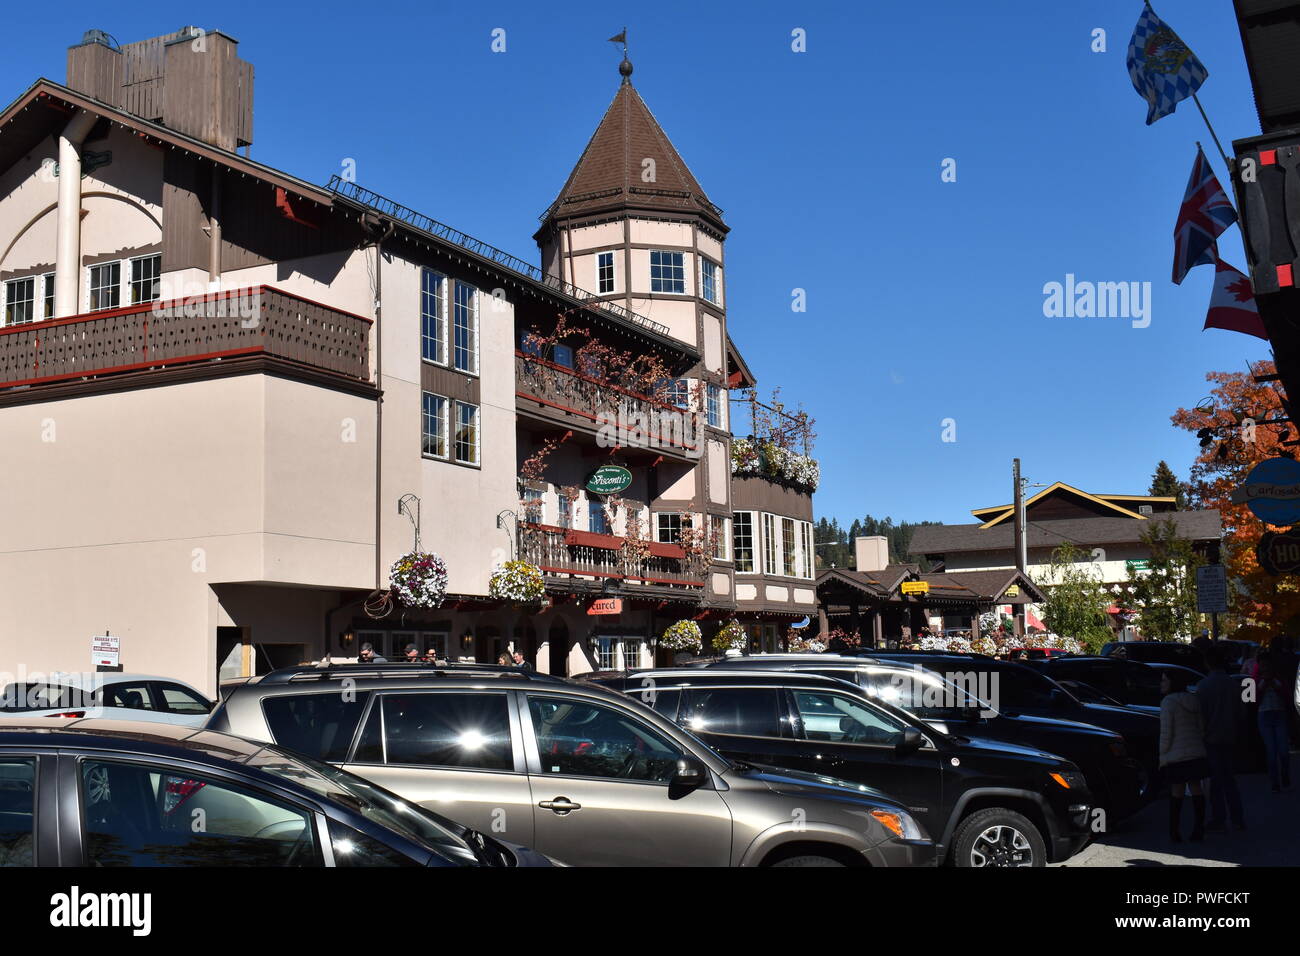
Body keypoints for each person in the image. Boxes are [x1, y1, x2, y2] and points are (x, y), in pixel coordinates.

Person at [1198, 646, 1245, 831]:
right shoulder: (1232, 684)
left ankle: (1219, 817)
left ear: (1208, 663)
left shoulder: (1204, 686)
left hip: (1211, 737)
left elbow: (1200, 716)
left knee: (1215, 781)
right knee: (1230, 780)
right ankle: (1238, 817)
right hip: (1230, 736)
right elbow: (1241, 713)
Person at [1159, 668, 1209, 842]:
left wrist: (1162, 755)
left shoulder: (1168, 702)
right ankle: (1199, 828)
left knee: (1177, 791)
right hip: (1196, 751)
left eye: (1164, 680)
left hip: (1176, 754)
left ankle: (1174, 831)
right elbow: (1201, 727)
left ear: (1172, 682)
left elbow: (1166, 733)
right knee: (1196, 789)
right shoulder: (1193, 700)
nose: (1161, 683)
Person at [1257, 653, 1293, 793]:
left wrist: (1276, 685)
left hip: (1279, 714)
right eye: (1262, 665)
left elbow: (1288, 698)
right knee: (1271, 751)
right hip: (1264, 716)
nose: (1265, 667)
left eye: (1267, 665)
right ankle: (1274, 781)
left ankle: (1285, 773)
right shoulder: (1254, 680)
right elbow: (1250, 701)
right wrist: (1262, 685)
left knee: (1283, 750)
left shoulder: (1280, 679)